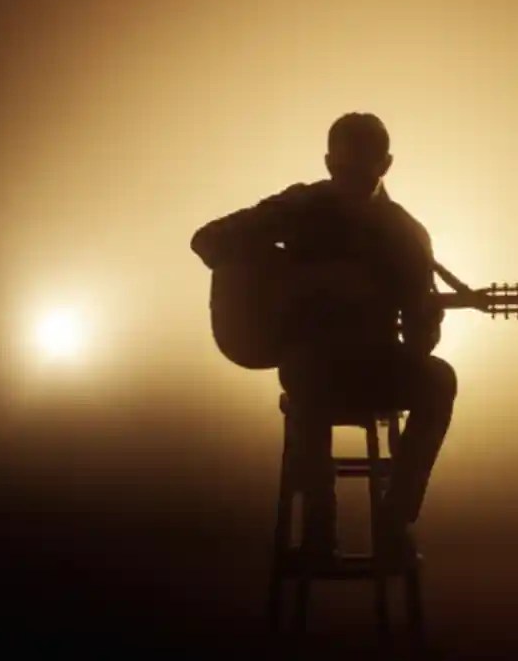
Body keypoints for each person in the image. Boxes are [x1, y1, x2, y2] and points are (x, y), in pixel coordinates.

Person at [190, 112, 457, 566]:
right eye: (343, 169)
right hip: (312, 365)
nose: (350, 179)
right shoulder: (301, 207)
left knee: (438, 381)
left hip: (376, 366)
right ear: (329, 162)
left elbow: (416, 343)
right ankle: (318, 528)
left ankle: (393, 523)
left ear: (385, 165)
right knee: (308, 369)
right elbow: (208, 241)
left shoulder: (407, 236)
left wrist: (426, 320)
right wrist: (298, 276)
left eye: (363, 169)